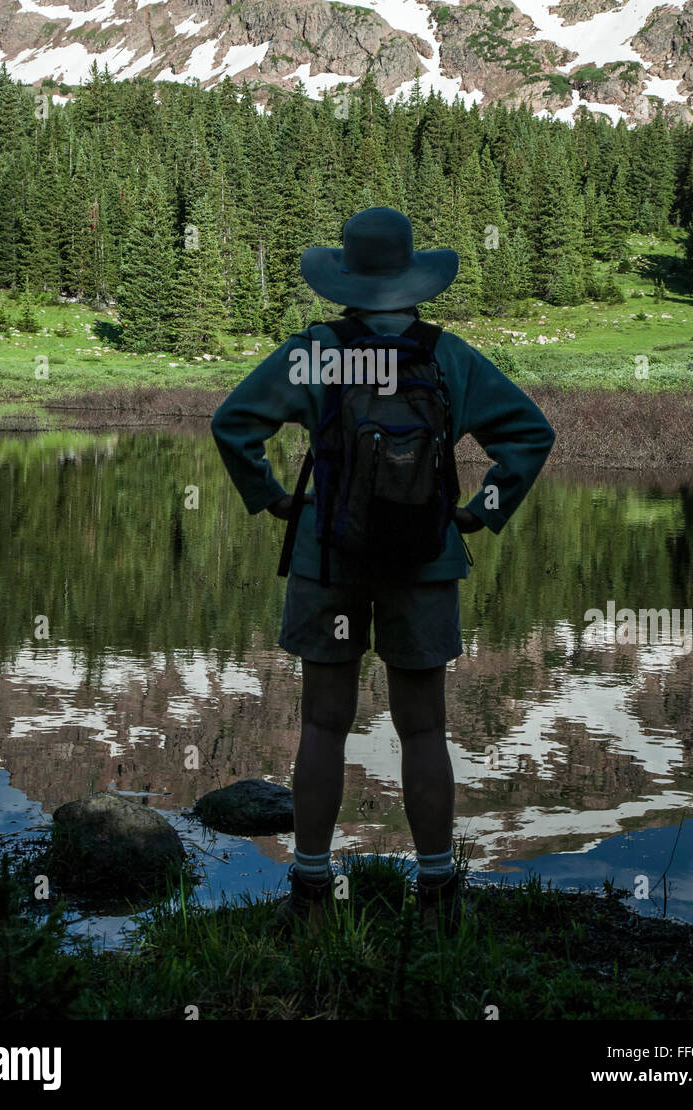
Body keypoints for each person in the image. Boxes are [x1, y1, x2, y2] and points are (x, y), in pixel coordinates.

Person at [211, 207, 555, 931]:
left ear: (347, 280)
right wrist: (481, 510)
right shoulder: (447, 354)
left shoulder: (315, 351)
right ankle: (436, 894)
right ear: (413, 280)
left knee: (323, 722)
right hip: (425, 562)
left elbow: (234, 423)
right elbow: (529, 434)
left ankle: (309, 889)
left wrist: (273, 499)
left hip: (327, 558)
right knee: (424, 728)